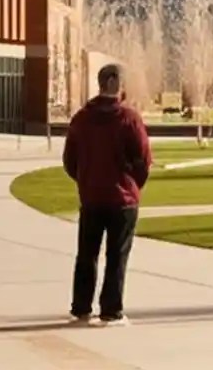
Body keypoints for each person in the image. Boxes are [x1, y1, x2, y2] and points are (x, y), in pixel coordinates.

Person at [62, 63, 152, 327]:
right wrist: (133, 185)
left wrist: (86, 179)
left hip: (91, 198)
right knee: (117, 256)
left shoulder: (81, 119)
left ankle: (81, 307)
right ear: (121, 86)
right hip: (122, 200)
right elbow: (143, 159)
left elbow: (70, 160)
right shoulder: (129, 119)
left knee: (86, 255)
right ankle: (111, 310)